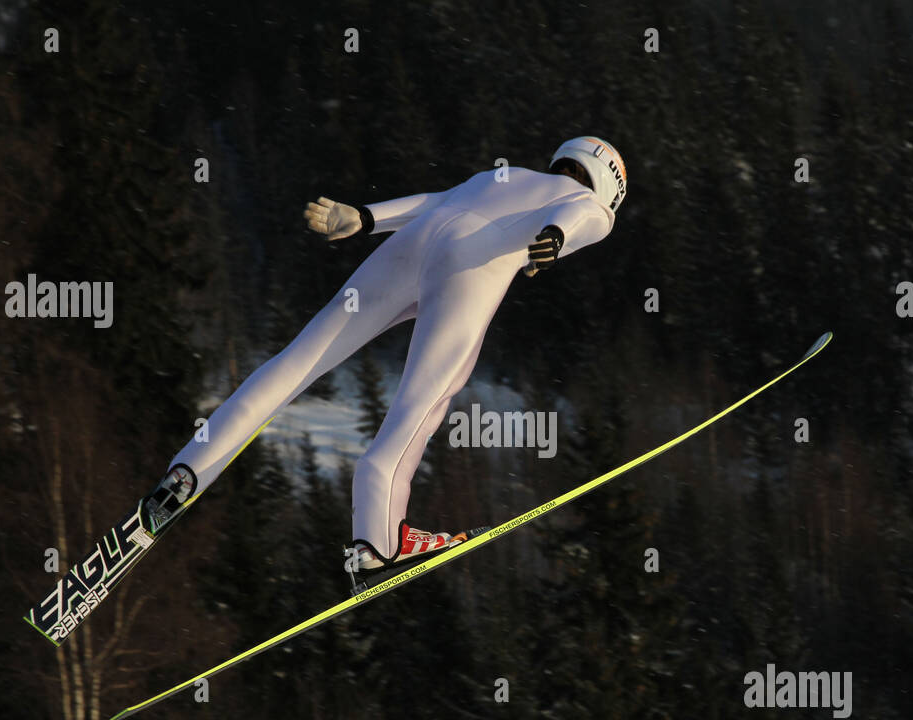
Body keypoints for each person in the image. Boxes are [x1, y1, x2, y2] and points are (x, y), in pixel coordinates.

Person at [142, 136, 627, 588]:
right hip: (471, 263)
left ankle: (188, 471)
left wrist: (363, 217)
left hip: (413, 242)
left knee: (297, 362)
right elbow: (586, 216)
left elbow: (434, 202)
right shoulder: (593, 205)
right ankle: (377, 539)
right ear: (609, 187)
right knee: (423, 400)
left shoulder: (500, 176)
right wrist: (555, 238)